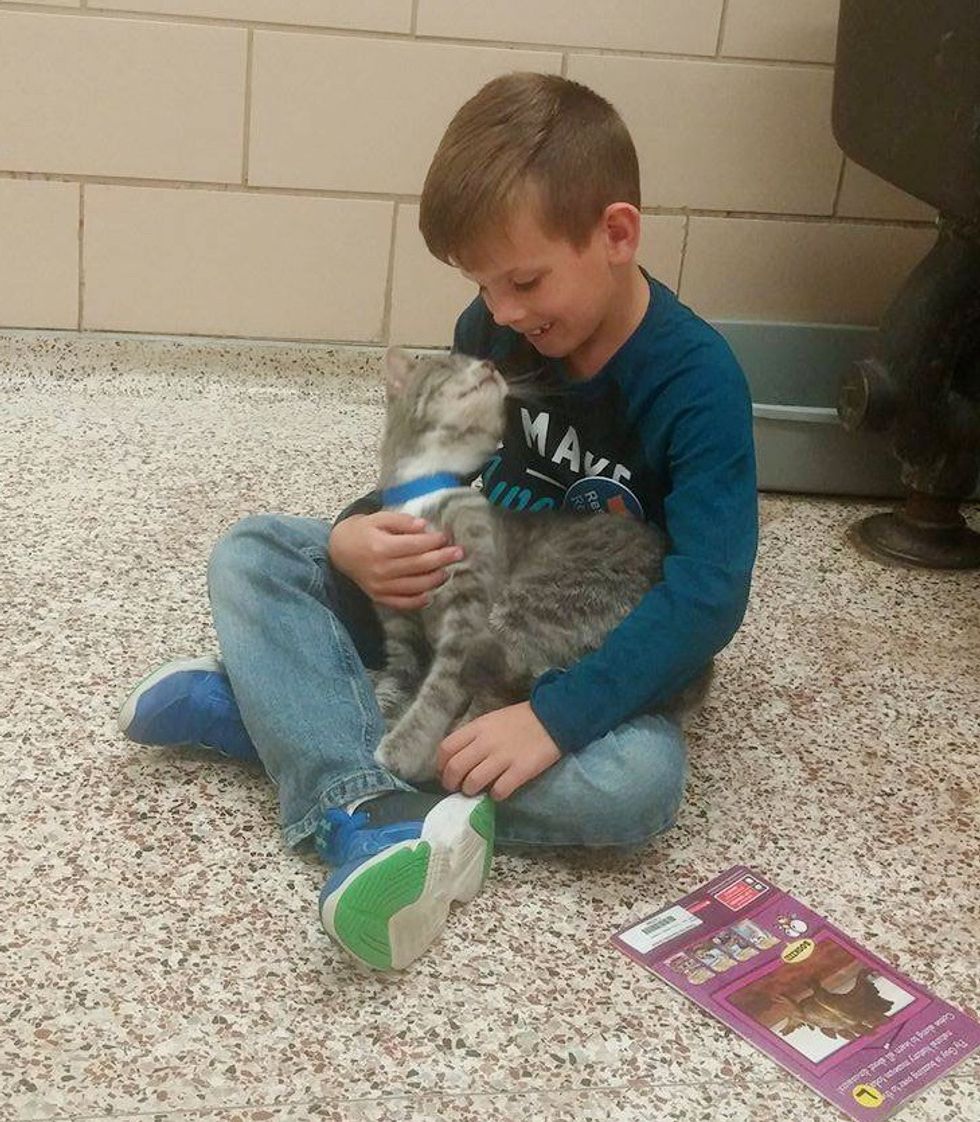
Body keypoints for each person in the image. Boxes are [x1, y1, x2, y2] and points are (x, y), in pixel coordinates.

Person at [117, 72, 758, 971]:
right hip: (460, 598)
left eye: (524, 280)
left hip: (572, 666)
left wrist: (553, 721)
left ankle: (280, 727)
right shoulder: (499, 326)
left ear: (616, 234)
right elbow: (433, 463)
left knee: (639, 789)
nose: (501, 312)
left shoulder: (698, 381)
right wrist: (356, 533)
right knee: (257, 552)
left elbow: (709, 593)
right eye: (481, 285)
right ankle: (358, 785)